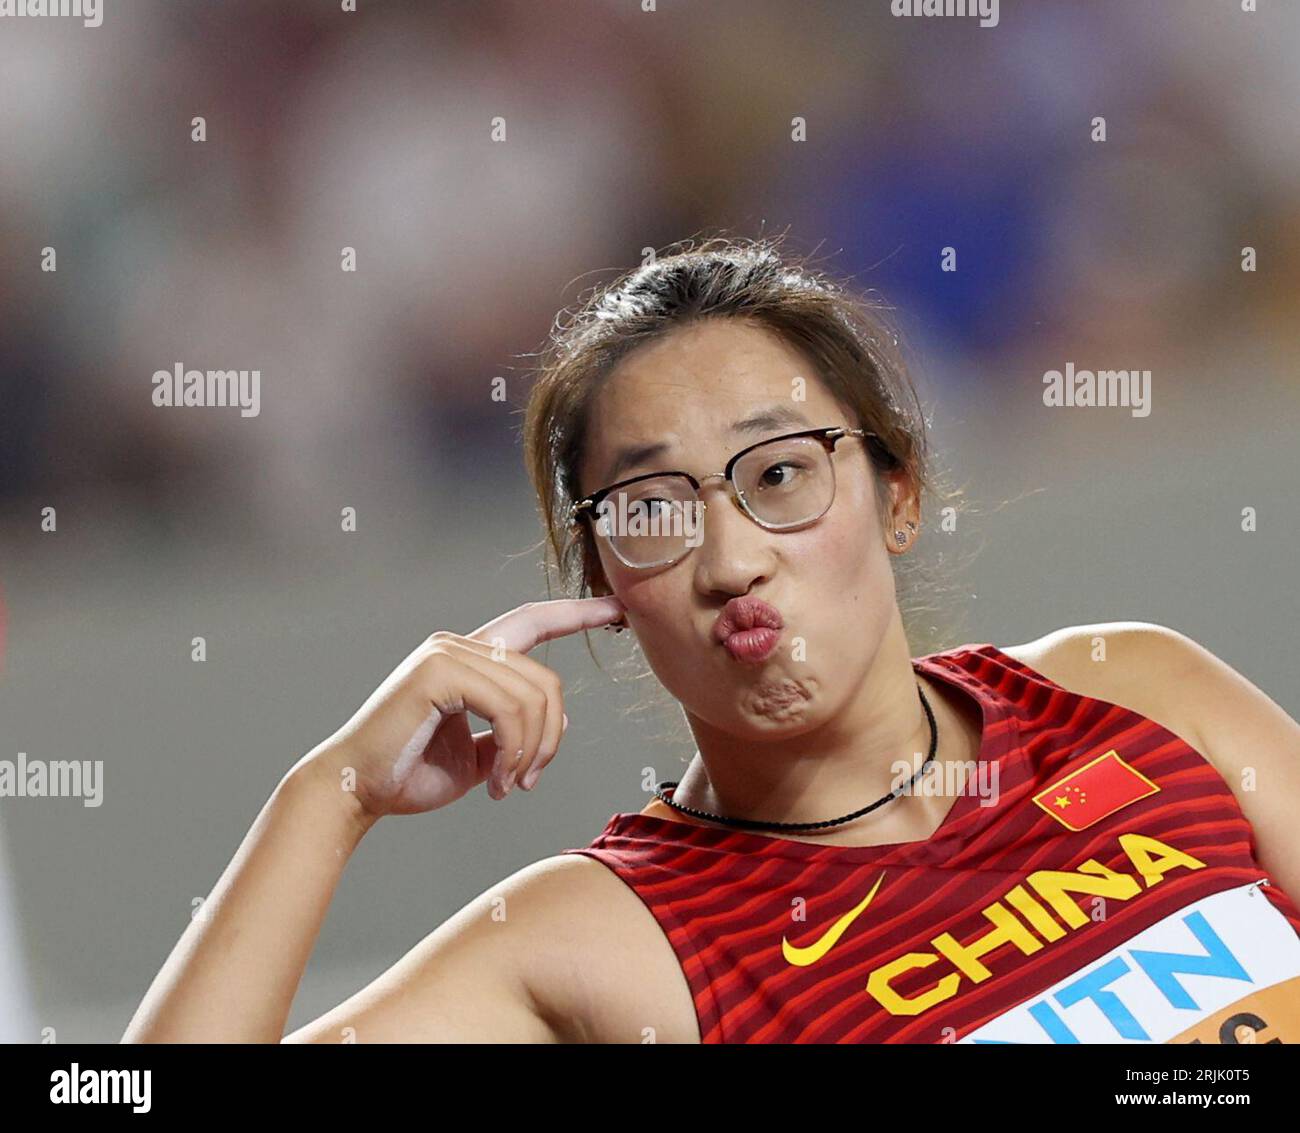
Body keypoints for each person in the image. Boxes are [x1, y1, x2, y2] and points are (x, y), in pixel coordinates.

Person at [122, 236, 1300, 1044]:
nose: (731, 559)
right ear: (602, 579)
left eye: (780, 472)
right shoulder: (596, 942)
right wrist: (327, 792)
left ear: (898, 489)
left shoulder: (1136, 695)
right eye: (653, 511)